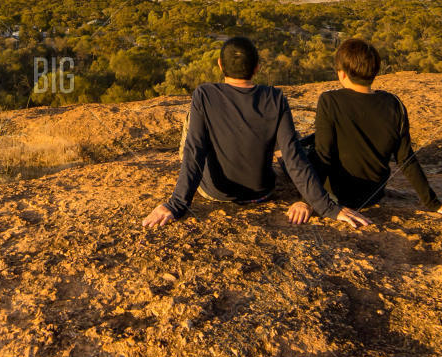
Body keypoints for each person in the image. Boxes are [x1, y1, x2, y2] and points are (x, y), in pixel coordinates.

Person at [142, 37, 373, 230]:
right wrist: (326, 207)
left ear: (220, 65)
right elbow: (293, 158)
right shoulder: (276, 98)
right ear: (257, 68)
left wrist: (176, 205)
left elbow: (195, 150)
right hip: (262, 192)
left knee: (194, 121)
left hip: (216, 193)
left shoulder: (205, 94)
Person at [287, 38, 442, 226]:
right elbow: (406, 158)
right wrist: (433, 203)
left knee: (297, 151)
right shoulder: (394, 104)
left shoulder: (330, 100)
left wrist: (307, 201)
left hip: (335, 194)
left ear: (342, 74)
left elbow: (323, 156)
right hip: (372, 195)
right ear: (375, 72)